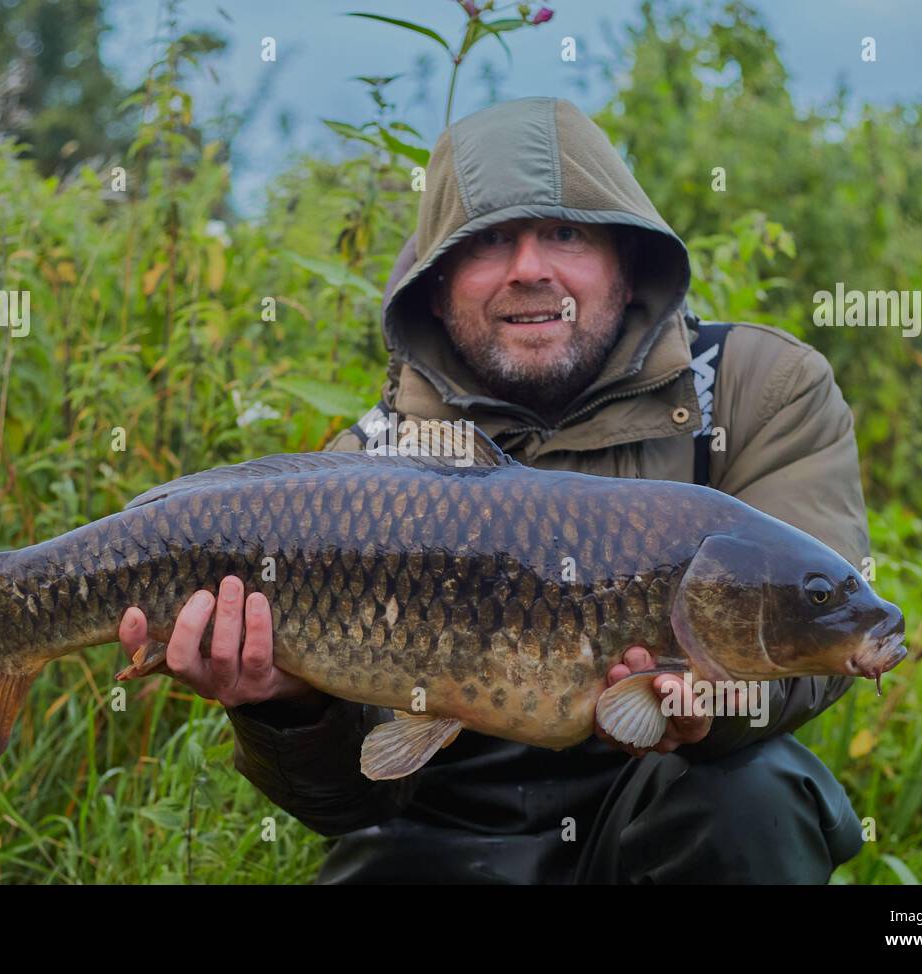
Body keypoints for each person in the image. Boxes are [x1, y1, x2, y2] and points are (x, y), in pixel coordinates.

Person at [117, 96, 869, 884]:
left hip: (662, 811)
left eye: (566, 233)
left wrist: (712, 709)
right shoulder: (365, 471)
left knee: (757, 793)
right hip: (436, 832)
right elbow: (343, 802)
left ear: (626, 255)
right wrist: (280, 708)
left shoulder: (755, 391)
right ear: (437, 283)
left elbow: (814, 635)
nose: (530, 268)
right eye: (489, 244)